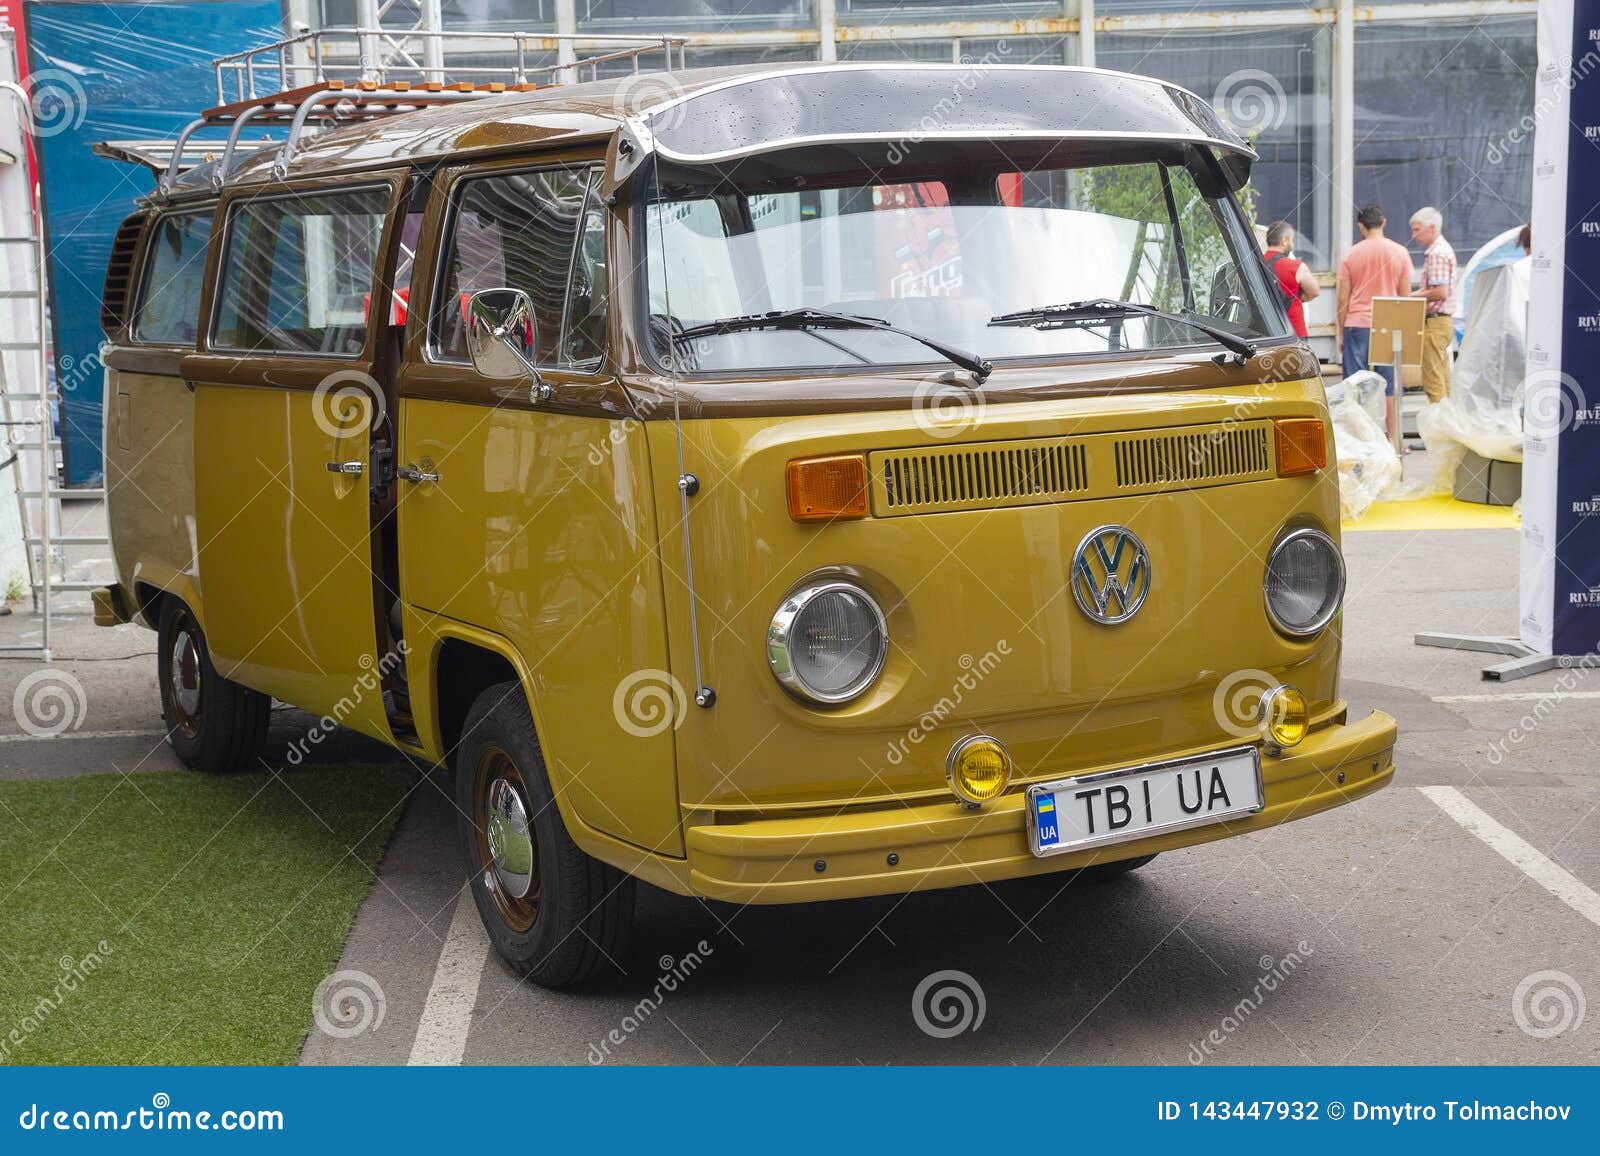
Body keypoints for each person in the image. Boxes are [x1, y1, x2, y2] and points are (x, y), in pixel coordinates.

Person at [1337, 204, 1413, 440]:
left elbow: (1343, 299)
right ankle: (1392, 438)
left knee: (1355, 383)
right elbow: (1405, 298)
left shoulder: (1351, 254)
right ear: (1383, 223)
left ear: (1361, 227)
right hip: (1388, 325)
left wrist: (1341, 332)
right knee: (1389, 384)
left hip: (1357, 323)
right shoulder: (1400, 252)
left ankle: (1360, 438)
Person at [1410, 206, 1457, 404]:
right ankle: (1445, 423)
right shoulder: (1441, 250)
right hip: (1441, 322)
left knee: (1433, 380)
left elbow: (1440, 292)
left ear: (1432, 227)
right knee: (1442, 377)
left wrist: (1410, 297)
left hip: (1435, 323)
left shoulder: (1437, 253)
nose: (1413, 235)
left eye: (1417, 229)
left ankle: (1439, 426)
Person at [1261, 220, 1319, 338]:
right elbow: (1314, 292)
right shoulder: (1295, 266)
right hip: (1293, 331)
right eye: (1291, 240)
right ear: (1284, 240)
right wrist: (1296, 297)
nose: (1292, 245)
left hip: (1267, 332)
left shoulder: (1256, 264)